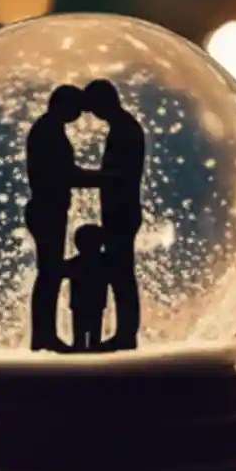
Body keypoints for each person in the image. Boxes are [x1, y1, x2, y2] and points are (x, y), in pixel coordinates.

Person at [24, 85, 104, 350]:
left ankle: (45, 335)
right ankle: (44, 336)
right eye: (77, 109)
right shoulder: (48, 132)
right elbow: (65, 175)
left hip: (49, 208)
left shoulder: (49, 129)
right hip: (47, 210)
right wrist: (105, 179)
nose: (79, 115)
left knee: (50, 273)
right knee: (49, 274)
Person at [83, 79, 145, 350]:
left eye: (94, 107)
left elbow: (120, 173)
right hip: (119, 210)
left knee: (122, 275)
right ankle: (124, 332)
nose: (93, 114)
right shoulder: (123, 127)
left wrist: (84, 177)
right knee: (120, 273)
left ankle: (126, 334)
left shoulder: (125, 130)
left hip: (122, 211)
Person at [63, 224, 109, 351]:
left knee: (79, 329)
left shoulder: (76, 262)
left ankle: (79, 345)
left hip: (79, 303)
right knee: (95, 326)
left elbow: (63, 271)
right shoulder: (103, 262)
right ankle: (94, 344)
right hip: (97, 301)